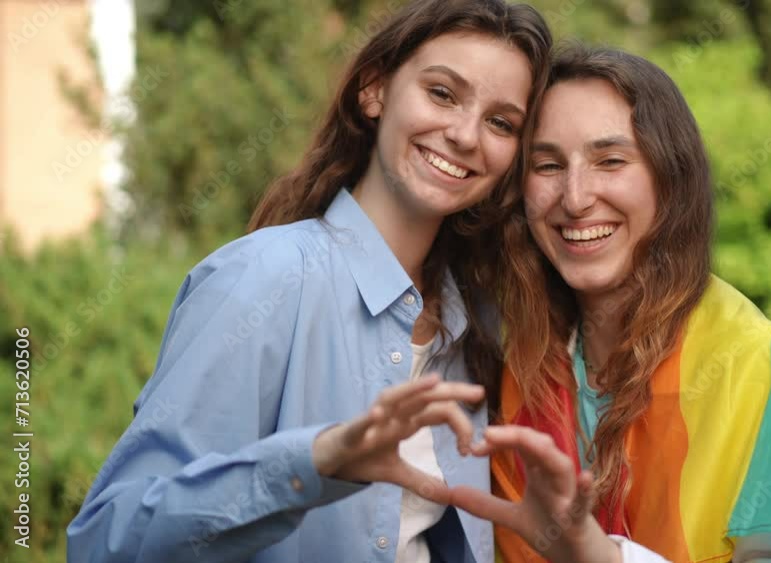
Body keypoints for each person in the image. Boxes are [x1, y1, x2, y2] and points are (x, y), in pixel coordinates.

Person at [66, 1, 551, 562]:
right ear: (375, 90)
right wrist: (312, 464)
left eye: (501, 122)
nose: (466, 134)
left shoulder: (476, 323)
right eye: (442, 93)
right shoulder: (262, 277)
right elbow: (108, 541)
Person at [450, 45, 771, 563]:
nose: (574, 197)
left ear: (670, 178)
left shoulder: (750, 366)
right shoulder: (524, 368)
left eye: (610, 160)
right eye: (547, 165)